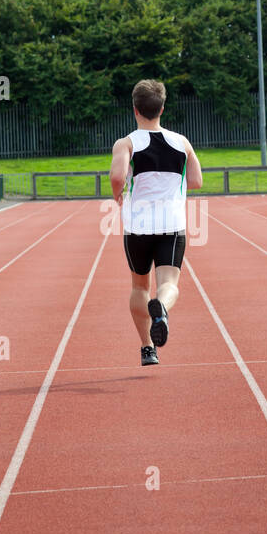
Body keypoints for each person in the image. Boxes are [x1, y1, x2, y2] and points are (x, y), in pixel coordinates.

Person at [109, 79, 204, 365]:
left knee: (139, 287)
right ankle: (161, 306)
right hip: (171, 225)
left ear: (135, 109)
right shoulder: (182, 142)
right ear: (162, 108)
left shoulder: (126, 143)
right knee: (169, 283)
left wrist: (118, 194)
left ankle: (148, 348)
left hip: (137, 227)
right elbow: (197, 181)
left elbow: (116, 176)